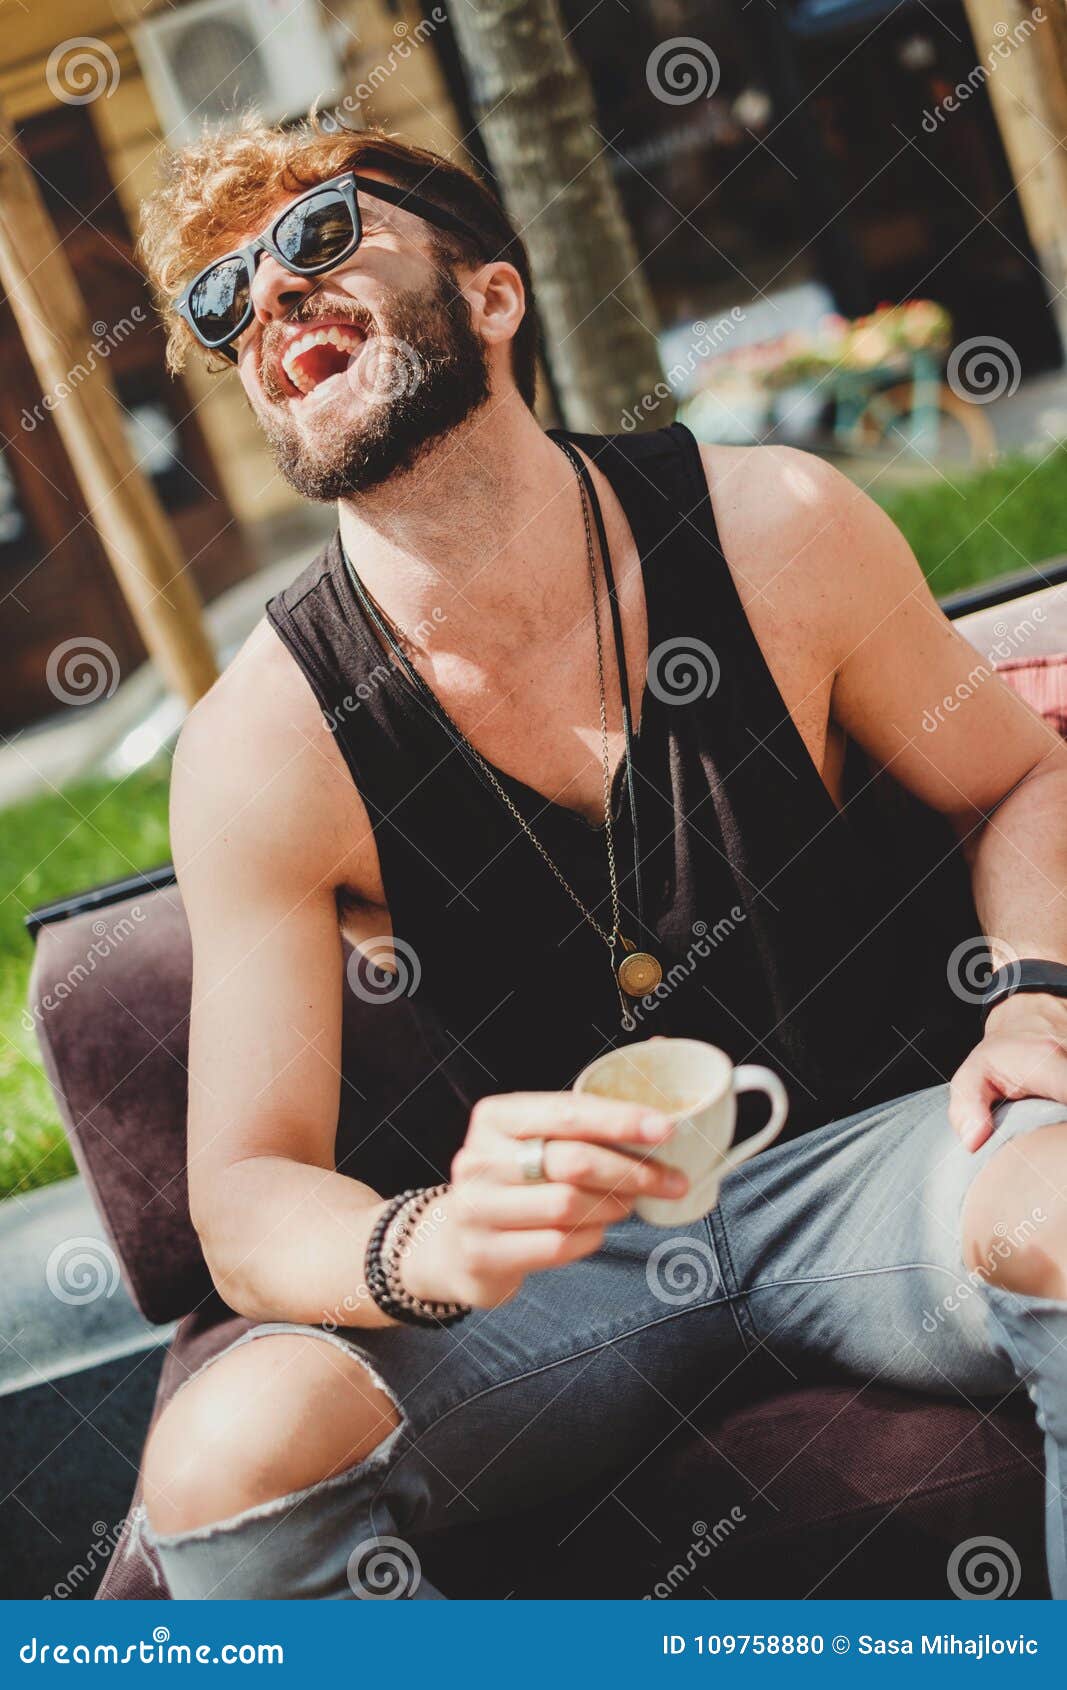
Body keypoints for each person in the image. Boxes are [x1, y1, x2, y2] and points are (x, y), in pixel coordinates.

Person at [137, 116, 1067, 1599]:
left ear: (492, 296)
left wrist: (1032, 1005)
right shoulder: (260, 744)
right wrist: (424, 1242)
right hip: (562, 1276)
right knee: (219, 1454)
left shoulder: (775, 526)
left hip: (883, 1159)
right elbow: (245, 1191)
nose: (270, 301)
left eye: (317, 237)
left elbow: (1021, 773)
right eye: (223, 300)